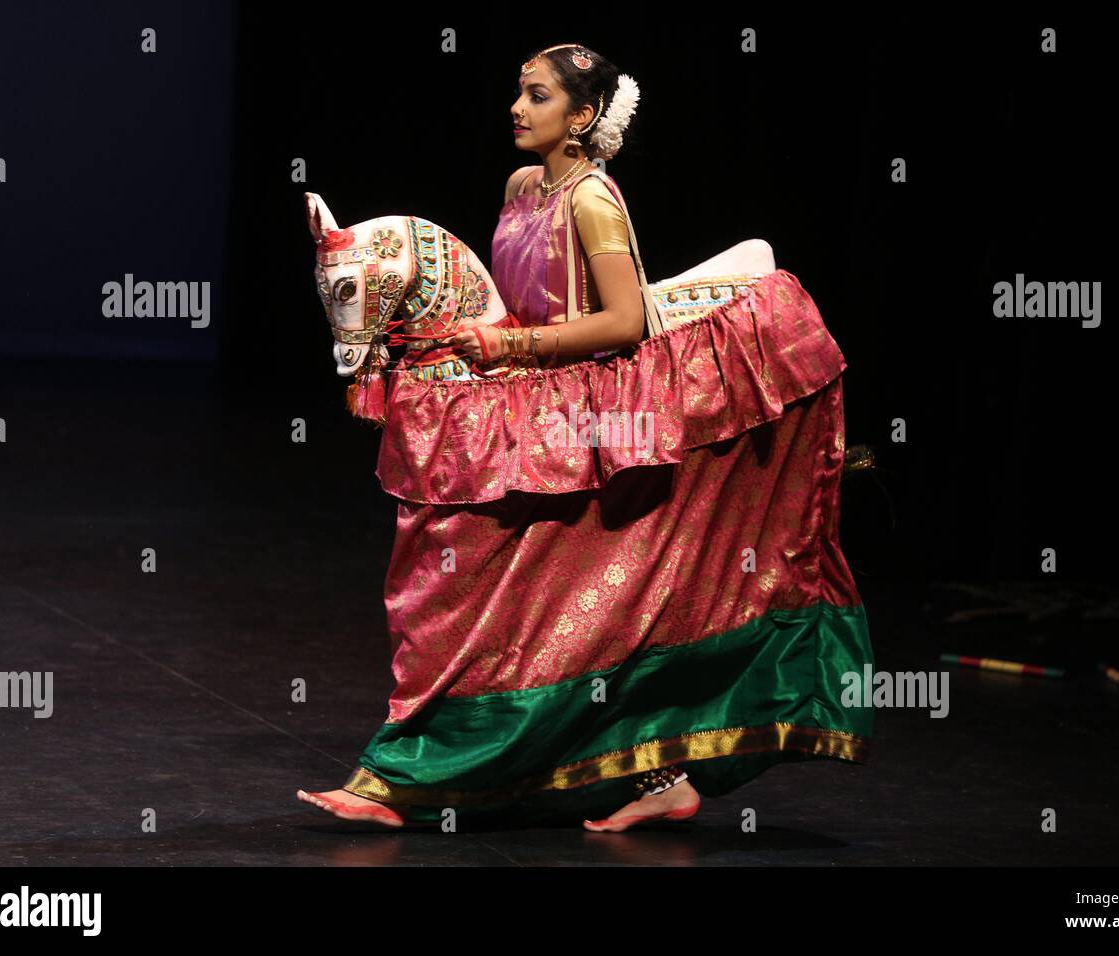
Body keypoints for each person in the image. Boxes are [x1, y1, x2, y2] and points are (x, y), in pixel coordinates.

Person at [298, 42, 873, 832]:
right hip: (520, 403)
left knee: (604, 601)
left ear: (585, 115)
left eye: (536, 96)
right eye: (517, 93)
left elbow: (625, 321)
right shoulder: (520, 185)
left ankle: (406, 775)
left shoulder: (593, 200)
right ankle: (610, 772)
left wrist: (510, 349)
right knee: (559, 603)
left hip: (588, 408)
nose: (516, 107)